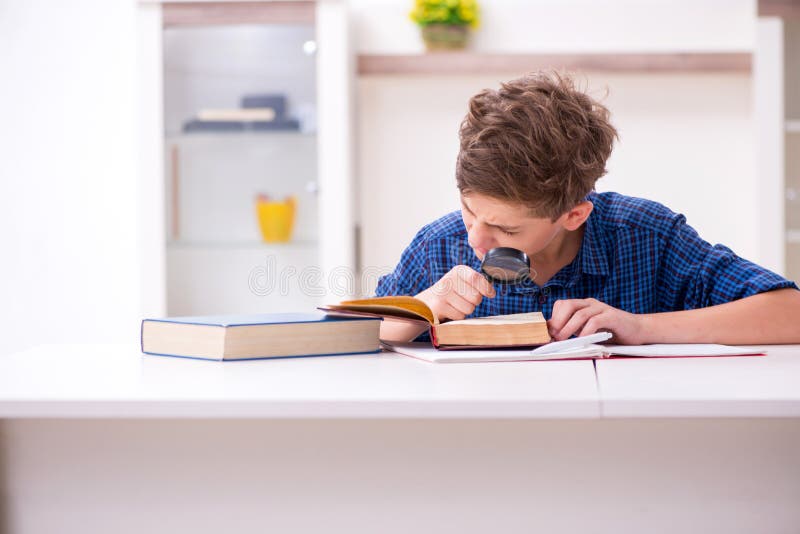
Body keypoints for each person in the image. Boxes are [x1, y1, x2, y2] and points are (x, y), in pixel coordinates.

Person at [375, 71, 800, 345]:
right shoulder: (439, 244)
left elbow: (789, 314)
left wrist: (641, 327)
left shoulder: (646, 236)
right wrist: (421, 308)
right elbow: (357, 335)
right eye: (469, 210)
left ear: (574, 214)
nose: (476, 239)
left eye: (507, 230)